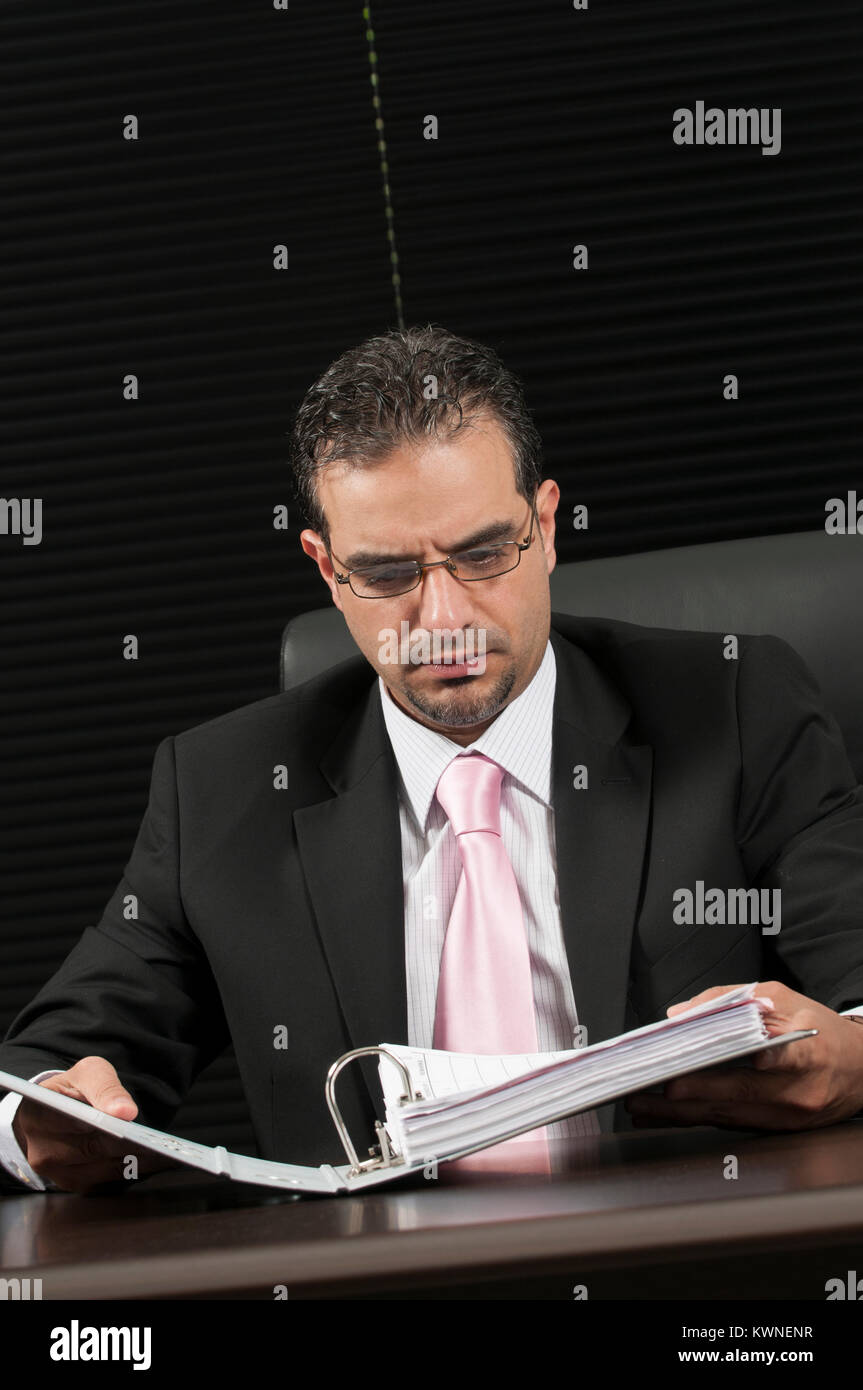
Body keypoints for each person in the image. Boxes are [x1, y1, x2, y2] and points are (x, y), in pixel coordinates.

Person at [3, 323, 863, 1197]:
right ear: (326, 569)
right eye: (385, 575)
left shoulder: (734, 707)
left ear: (546, 525)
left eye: (484, 554)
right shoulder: (222, 792)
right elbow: (50, 1072)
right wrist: (45, 1116)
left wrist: (855, 1059)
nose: (442, 616)